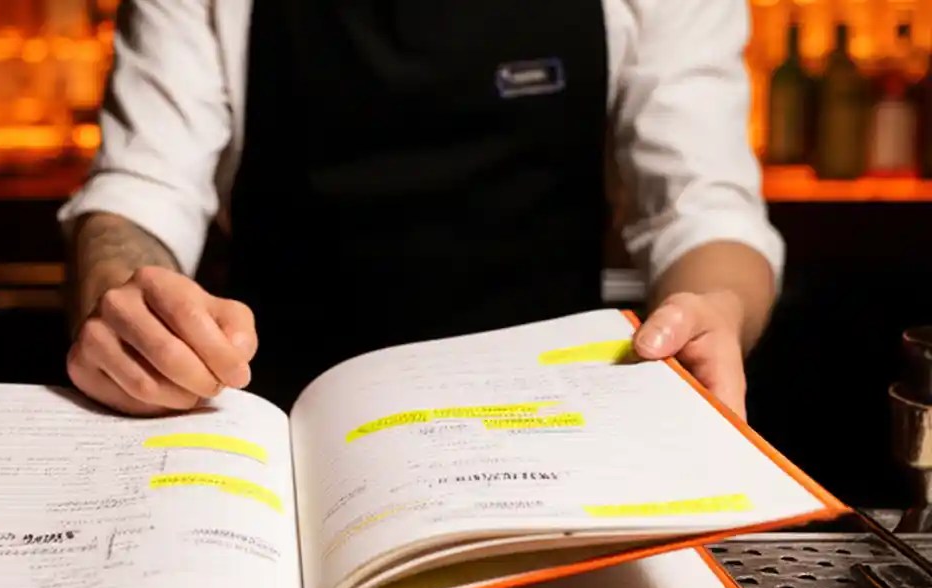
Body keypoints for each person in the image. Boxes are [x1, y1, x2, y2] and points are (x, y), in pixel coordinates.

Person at [59, 0, 782, 419]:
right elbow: (139, 196)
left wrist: (711, 307)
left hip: (557, 431)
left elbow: (706, 209)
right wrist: (129, 312)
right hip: (273, 432)